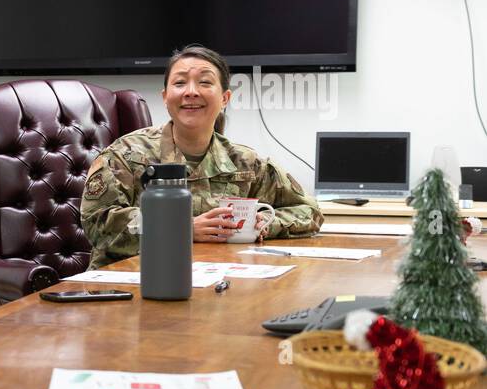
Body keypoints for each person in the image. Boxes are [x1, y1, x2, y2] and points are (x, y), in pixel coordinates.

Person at [81, 44, 322, 267]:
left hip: (216, 279)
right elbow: (97, 223)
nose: (191, 92)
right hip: (131, 282)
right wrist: (181, 228)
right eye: (180, 83)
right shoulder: (126, 155)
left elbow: (309, 211)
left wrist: (265, 223)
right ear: (165, 98)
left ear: (225, 98)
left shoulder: (246, 163)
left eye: (205, 82)